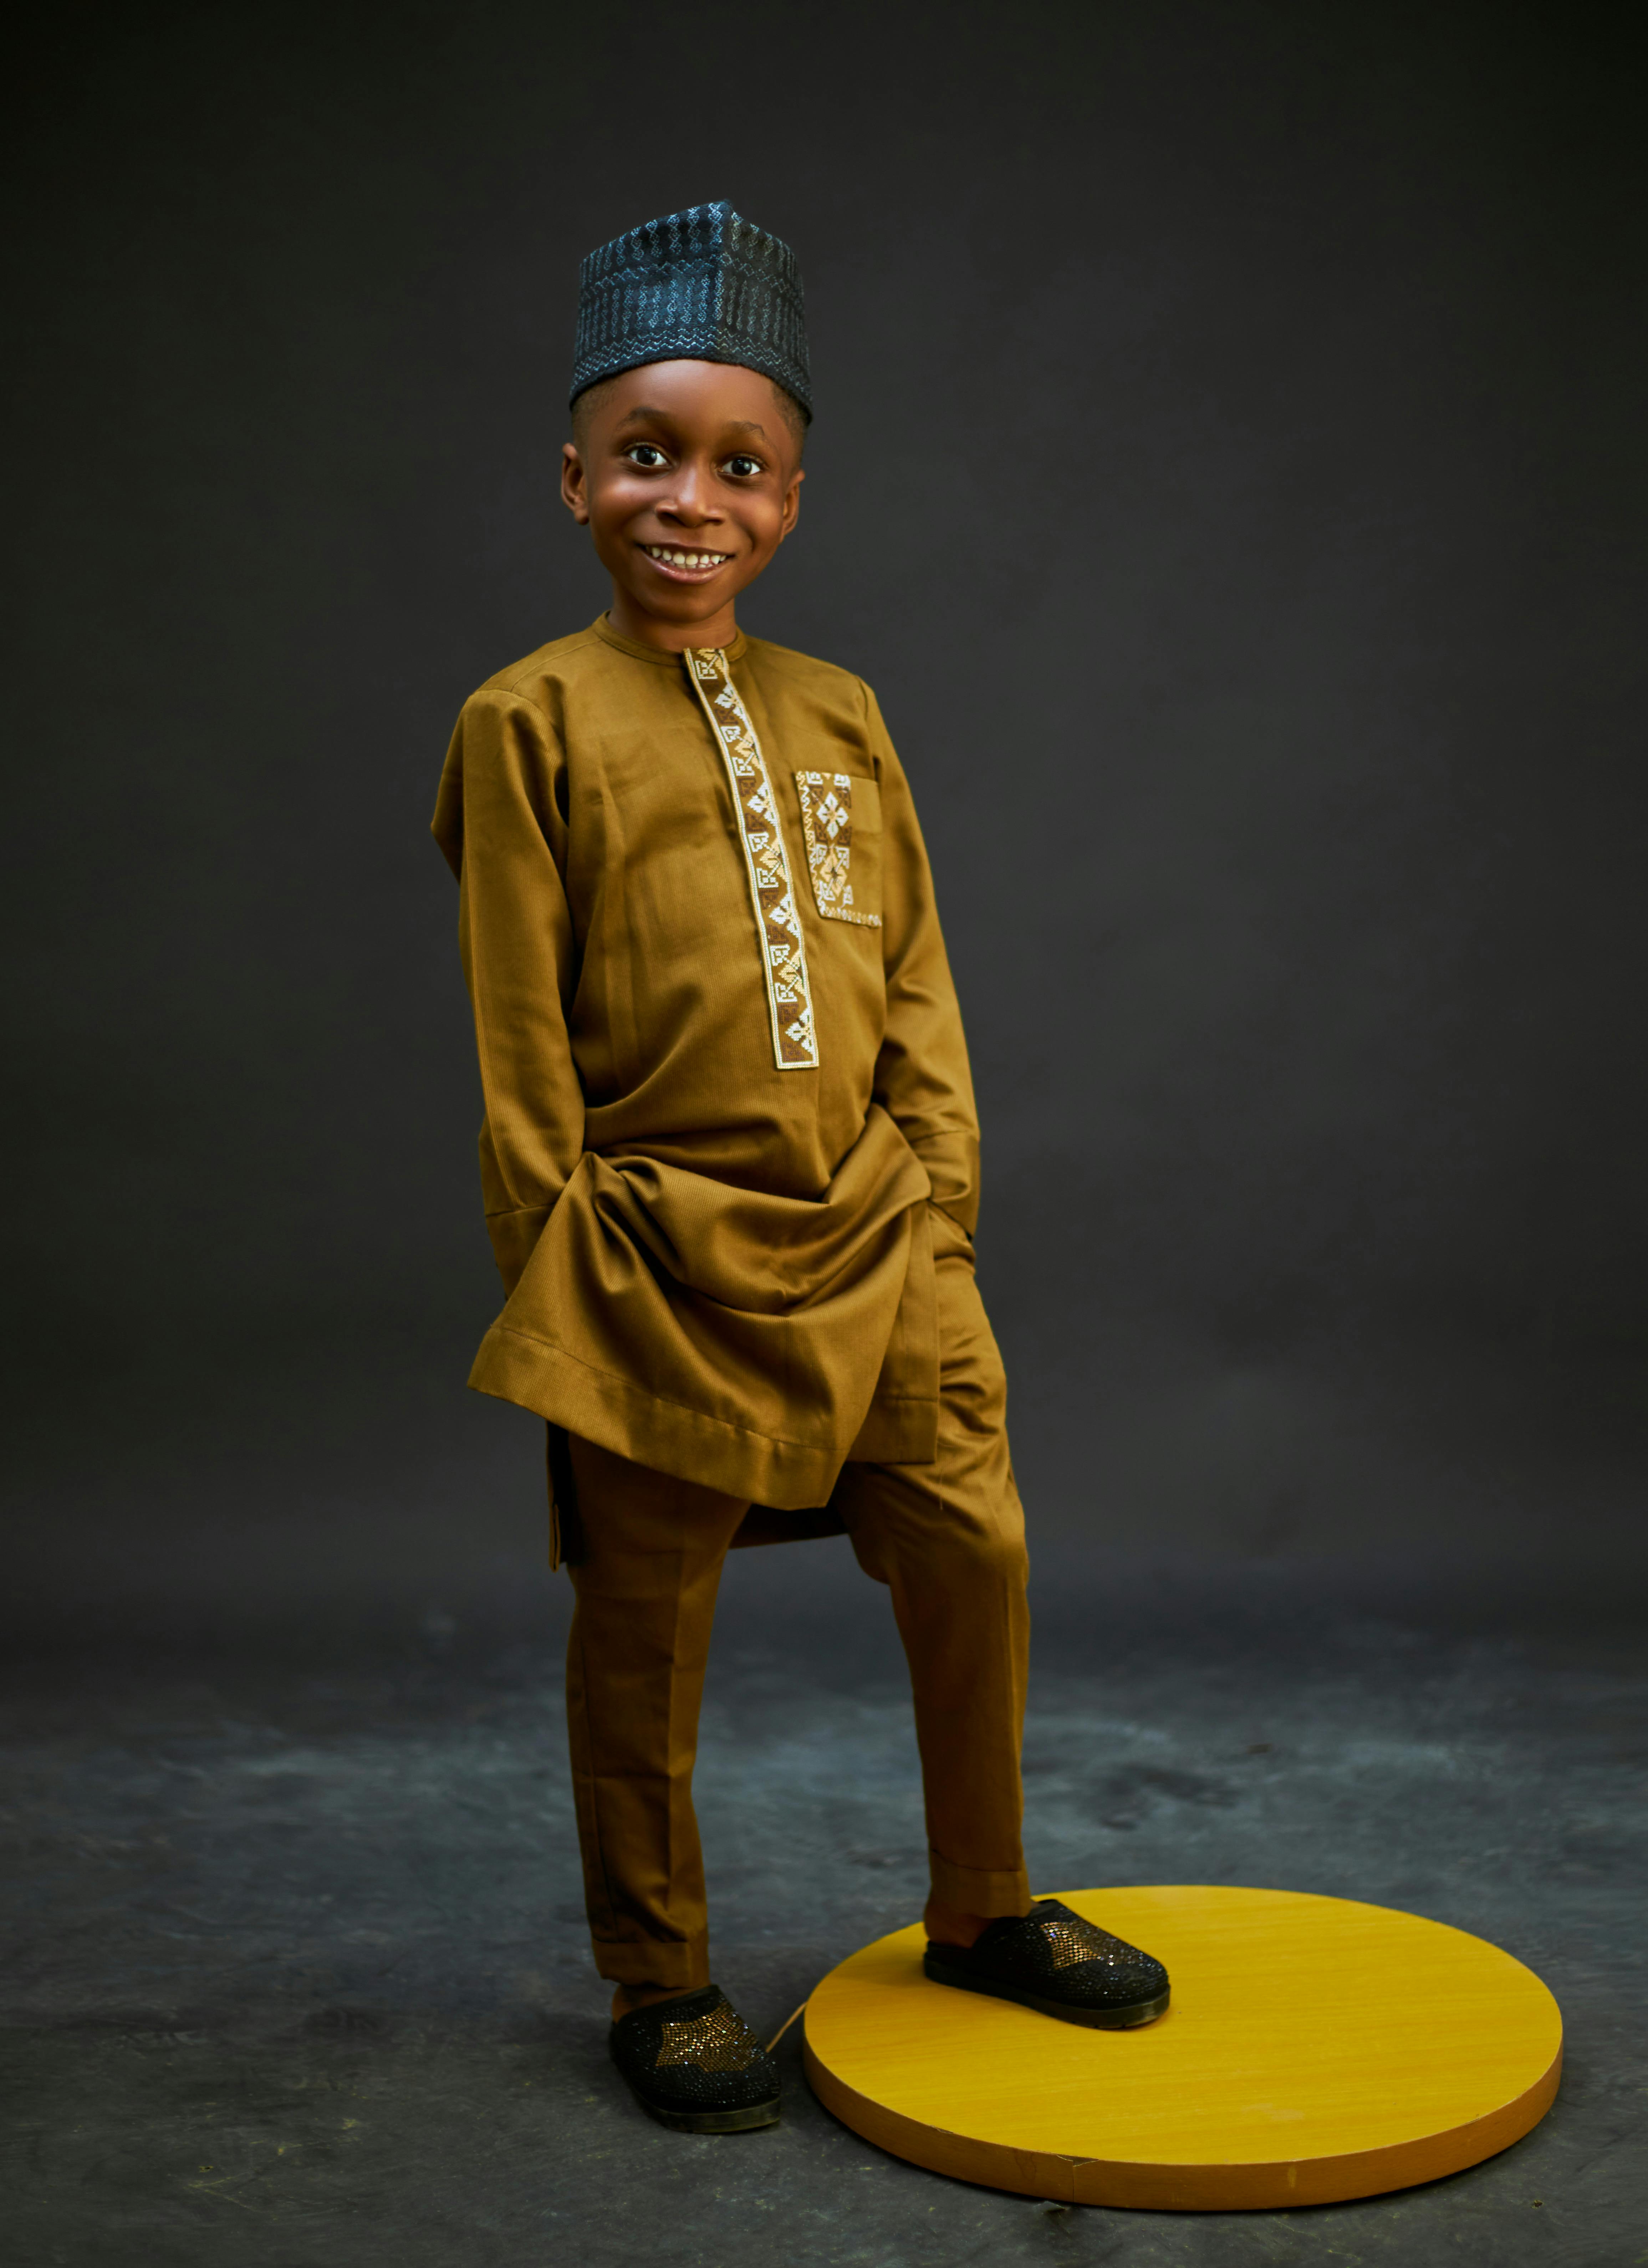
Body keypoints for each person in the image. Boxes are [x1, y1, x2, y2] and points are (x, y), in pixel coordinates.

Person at [431, 203, 1168, 2134]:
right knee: (645, 1616)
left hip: (881, 1236)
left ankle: (984, 1908)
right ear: (577, 476)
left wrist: (939, 1200)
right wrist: (559, 1260)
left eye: (738, 465)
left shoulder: (842, 711)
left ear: (791, 495)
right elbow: (517, 1045)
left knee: (973, 1549)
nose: (693, 498)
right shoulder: (527, 721)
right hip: (652, 1252)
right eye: (651, 455)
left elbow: (914, 974)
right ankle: (658, 1975)